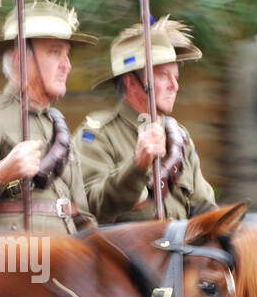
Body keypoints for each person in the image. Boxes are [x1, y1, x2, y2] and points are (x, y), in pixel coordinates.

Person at [0, 0, 97, 234]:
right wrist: (1, 173)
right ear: (20, 60)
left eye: (67, 55)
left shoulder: (57, 125)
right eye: (55, 53)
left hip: (64, 262)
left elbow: (81, 216)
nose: (67, 65)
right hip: (11, 263)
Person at [75, 16, 218, 223]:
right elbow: (92, 206)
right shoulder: (98, 135)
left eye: (175, 77)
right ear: (131, 82)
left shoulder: (179, 137)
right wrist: (137, 166)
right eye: (163, 76)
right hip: (126, 254)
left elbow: (204, 207)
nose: (175, 86)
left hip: (181, 252)